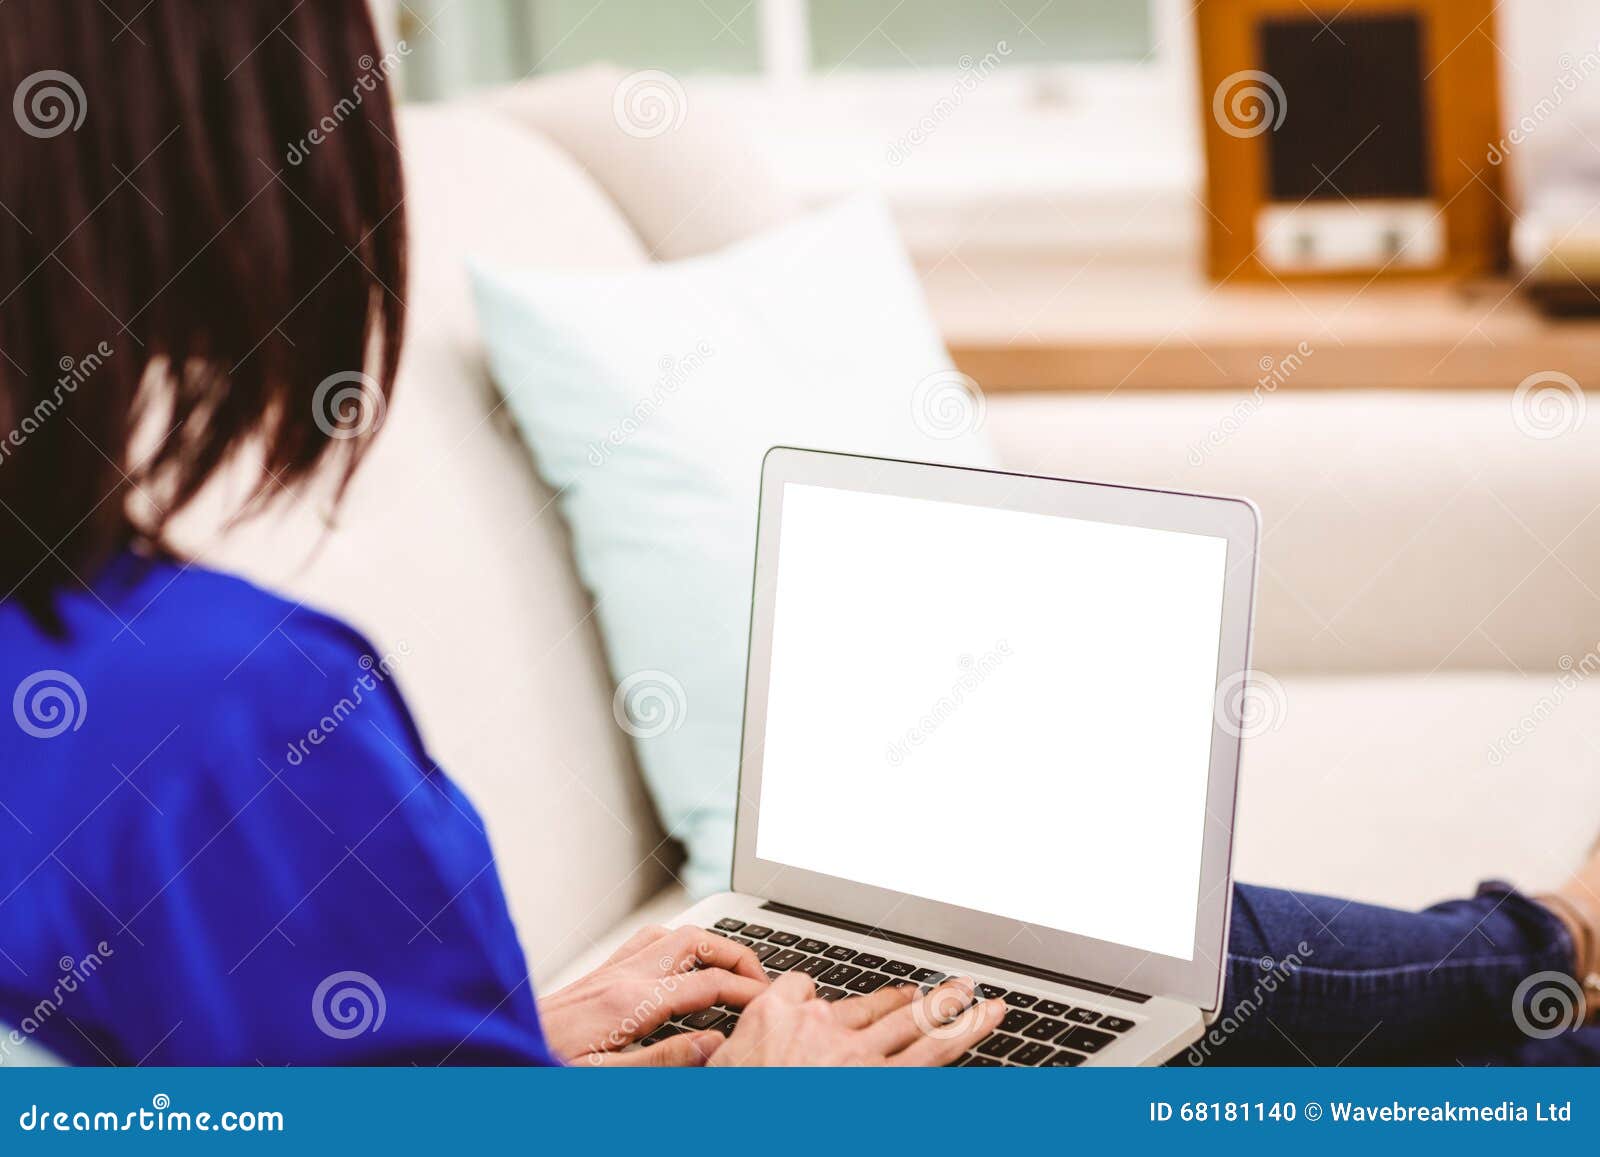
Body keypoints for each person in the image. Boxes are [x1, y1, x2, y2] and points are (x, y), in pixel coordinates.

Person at [0, 1, 1594, 1068]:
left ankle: (1545, 949)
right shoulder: (234, 712)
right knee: (1151, 994)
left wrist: (524, 1046)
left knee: (1115, 957)